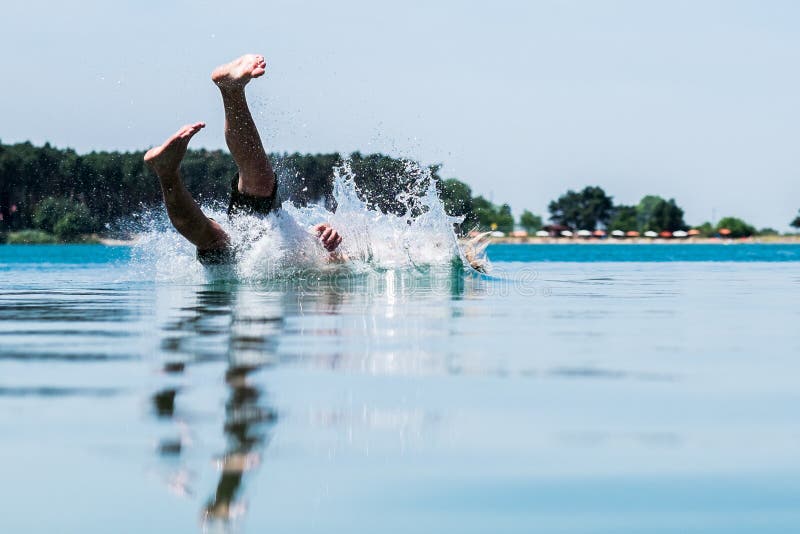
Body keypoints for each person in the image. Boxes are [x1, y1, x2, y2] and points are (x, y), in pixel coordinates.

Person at [144, 54, 342, 264]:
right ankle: (168, 172)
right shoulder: (355, 255)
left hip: (246, 268)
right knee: (254, 194)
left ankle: (168, 174)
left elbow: (336, 269)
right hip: (270, 253)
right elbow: (338, 265)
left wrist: (327, 249)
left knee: (215, 240)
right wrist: (321, 239)